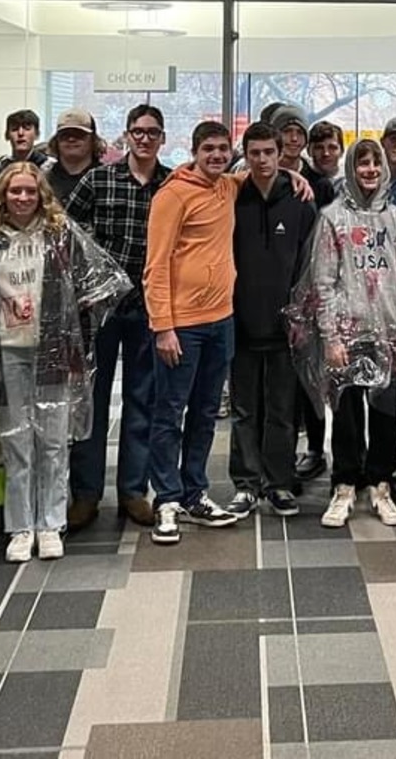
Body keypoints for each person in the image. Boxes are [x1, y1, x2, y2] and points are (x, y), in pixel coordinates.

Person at [144, 121, 311, 544]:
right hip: (182, 326)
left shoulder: (227, 187)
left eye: (222, 148)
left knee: (204, 414)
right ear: (194, 152)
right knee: (170, 414)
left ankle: (194, 493)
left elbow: (262, 172)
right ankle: (167, 500)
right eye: (209, 149)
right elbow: (155, 265)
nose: (217, 156)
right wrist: (163, 327)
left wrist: (293, 174)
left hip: (222, 321)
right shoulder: (172, 195)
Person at [0, 161, 130, 562]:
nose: (22, 198)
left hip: (52, 349)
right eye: (15, 191)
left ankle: (51, 523)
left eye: (30, 191)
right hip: (7, 351)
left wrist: (78, 346)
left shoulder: (60, 234)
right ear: (2, 194)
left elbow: (94, 287)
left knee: (53, 441)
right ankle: (20, 526)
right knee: (16, 441)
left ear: (42, 195)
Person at [292, 138, 396, 528]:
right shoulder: (332, 218)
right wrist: (331, 337)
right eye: (362, 163)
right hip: (346, 333)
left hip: (388, 333)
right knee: (346, 411)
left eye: (375, 163)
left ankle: (380, 484)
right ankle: (344, 484)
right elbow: (323, 282)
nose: (370, 170)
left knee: (385, 414)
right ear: (351, 169)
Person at [63, 103, 171, 530]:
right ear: (126, 136)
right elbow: (65, 232)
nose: (144, 139)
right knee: (92, 399)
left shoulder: (172, 184)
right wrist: (87, 283)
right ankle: (86, 494)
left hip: (150, 308)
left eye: (152, 132)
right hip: (100, 310)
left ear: (162, 139)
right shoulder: (99, 179)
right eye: (137, 132)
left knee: (143, 399)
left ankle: (133, 491)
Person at [228, 122, 317, 518]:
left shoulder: (301, 200)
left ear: (281, 155)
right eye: (255, 153)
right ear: (245, 155)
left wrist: (303, 315)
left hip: (286, 325)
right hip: (239, 320)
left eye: (269, 152)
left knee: (282, 410)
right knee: (244, 410)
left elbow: (311, 263)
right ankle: (246, 484)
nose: (262, 160)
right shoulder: (231, 196)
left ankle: (279, 482)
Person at [296, 121, 347, 479]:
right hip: (308, 290)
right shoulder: (304, 184)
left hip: (346, 293)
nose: (326, 153)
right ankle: (315, 448)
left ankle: (348, 453)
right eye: (319, 147)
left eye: (332, 147)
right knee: (310, 377)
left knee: (346, 380)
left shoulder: (351, 184)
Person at [271, 104, 335, 206]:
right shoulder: (260, 179)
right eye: (287, 131)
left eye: (300, 132)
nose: (294, 138)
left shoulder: (321, 186)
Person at [44, 109, 101, 206]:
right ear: (56, 140)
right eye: (65, 135)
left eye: (79, 134)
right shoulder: (43, 179)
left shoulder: (104, 179)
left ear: (93, 139)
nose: (71, 139)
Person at [0, 108, 43, 199]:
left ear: (37, 134)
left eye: (27, 129)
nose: (20, 133)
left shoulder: (49, 170)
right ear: (7, 135)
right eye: (14, 129)